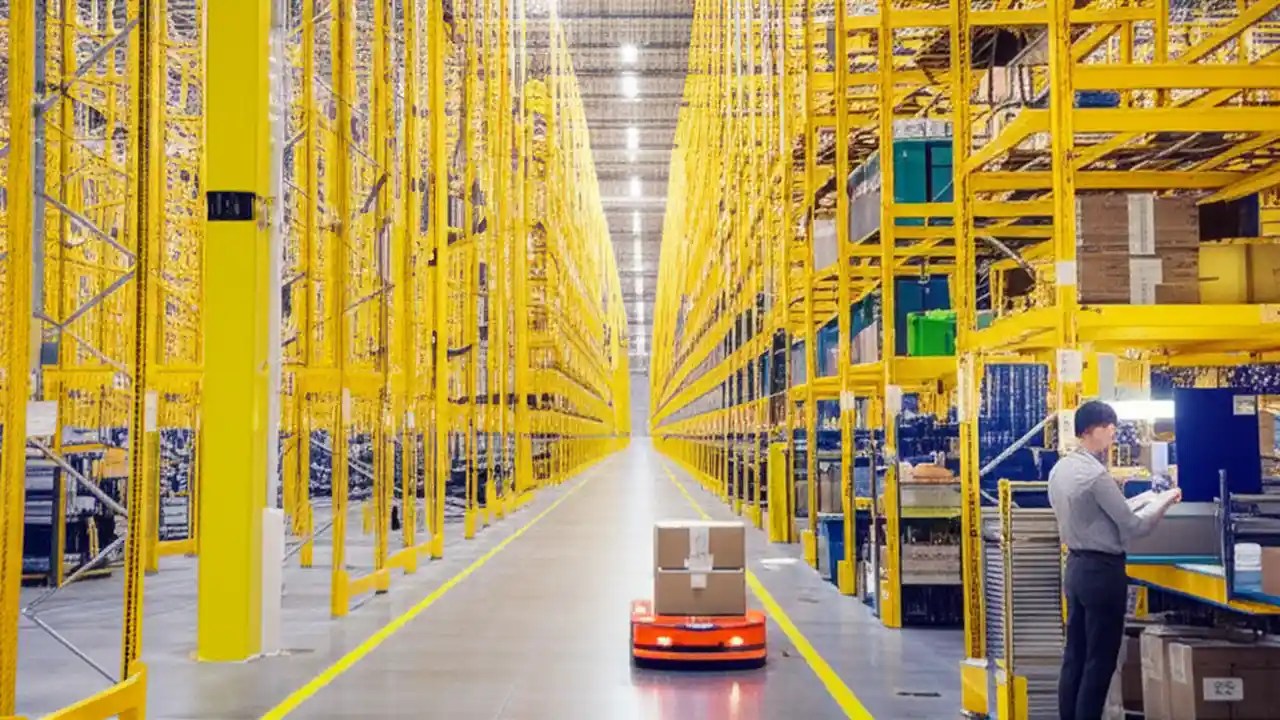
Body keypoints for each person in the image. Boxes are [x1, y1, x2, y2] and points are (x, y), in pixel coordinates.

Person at [1048, 400, 1181, 720]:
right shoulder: (1096, 475)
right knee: (1100, 659)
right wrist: (1163, 500)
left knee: (1075, 656)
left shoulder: (1060, 470)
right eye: (1110, 429)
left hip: (1076, 569)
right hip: (1102, 574)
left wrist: (1141, 499)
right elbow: (1134, 526)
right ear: (1093, 430)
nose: (1113, 436)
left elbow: (1104, 514)